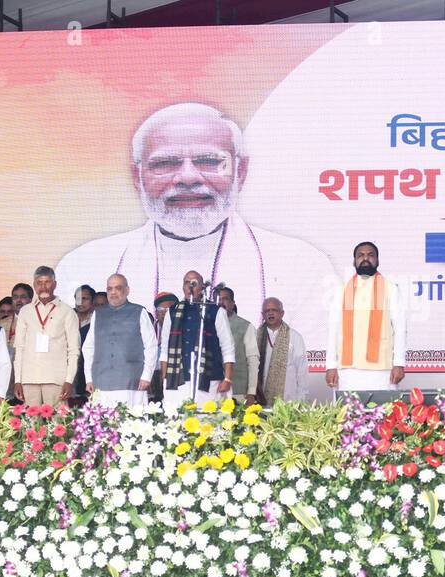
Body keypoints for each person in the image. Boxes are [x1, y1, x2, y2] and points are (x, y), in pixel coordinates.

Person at [54, 102, 339, 338]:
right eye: (165, 163)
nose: (188, 178)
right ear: (136, 177)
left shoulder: (303, 266)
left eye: (208, 161)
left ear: (240, 171)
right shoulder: (83, 264)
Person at [325, 242, 406, 392]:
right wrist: (330, 366)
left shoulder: (391, 289)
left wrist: (399, 363)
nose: (365, 258)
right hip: (348, 371)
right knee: (348, 414)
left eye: (370, 255)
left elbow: (400, 329)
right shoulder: (341, 291)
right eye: (360, 255)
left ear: (378, 260)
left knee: (384, 413)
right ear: (354, 261)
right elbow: (333, 330)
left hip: (382, 371)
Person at [158, 271, 235, 411]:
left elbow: (227, 348)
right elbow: (165, 347)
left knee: (207, 422)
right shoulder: (172, 312)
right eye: (186, 283)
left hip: (209, 379)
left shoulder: (215, 311)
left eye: (194, 283)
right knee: (176, 423)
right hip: (177, 379)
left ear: (202, 288)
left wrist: (228, 379)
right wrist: (165, 376)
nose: (189, 287)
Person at [82, 274, 158, 408]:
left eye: (118, 288)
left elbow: (151, 345)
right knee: (103, 425)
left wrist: (147, 375)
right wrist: (89, 378)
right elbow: (89, 347)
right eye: (109, 289)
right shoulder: (98, 314)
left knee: (130, 423)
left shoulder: (139, 312)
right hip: (101, 380)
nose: (113, 292)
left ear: (127, 290)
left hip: (131, 380)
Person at [12, 266, 79, 407]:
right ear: (34, 285)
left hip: (56, 379)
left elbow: (73, 350)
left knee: (58, 425)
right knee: (30, 425)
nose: (43, 287)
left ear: (55, 284)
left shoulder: (67, 311)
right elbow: (19, 348)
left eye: (47, 282)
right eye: (39, 283)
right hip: (29, 378)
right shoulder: (25, 311)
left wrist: (69, 380)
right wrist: (18, 380)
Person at [256, 296, 308, 406]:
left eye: (274, 310)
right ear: (262, 315)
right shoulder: (255, 336)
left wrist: (301, 400)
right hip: (261, 400)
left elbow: (302, 372)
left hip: (288, 400)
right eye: (267, 311)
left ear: (282, 313)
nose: (270, 313)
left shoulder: (294, 337)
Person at [217, 285, 259, 403]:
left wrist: (251, 392)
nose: (221, 302)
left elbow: (253, 362)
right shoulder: (207, 326)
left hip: (239, 392)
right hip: (213, 391)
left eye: (225, 299)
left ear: (232, 303)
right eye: (218, 299)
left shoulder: (245, 326)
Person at [148, 292, 179, 404]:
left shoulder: (182, 330)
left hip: (175, 377)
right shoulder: (150, 331)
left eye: (168, 309)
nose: (165, 313)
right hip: (153, 380)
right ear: (156, 312)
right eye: (161, 309)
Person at [72, 285, 96, 400]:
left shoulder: (97, 320)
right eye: (77, 298)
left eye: (85, 299)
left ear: (92, 301)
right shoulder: (68, 317)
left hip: (88, 369)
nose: (80, 302)